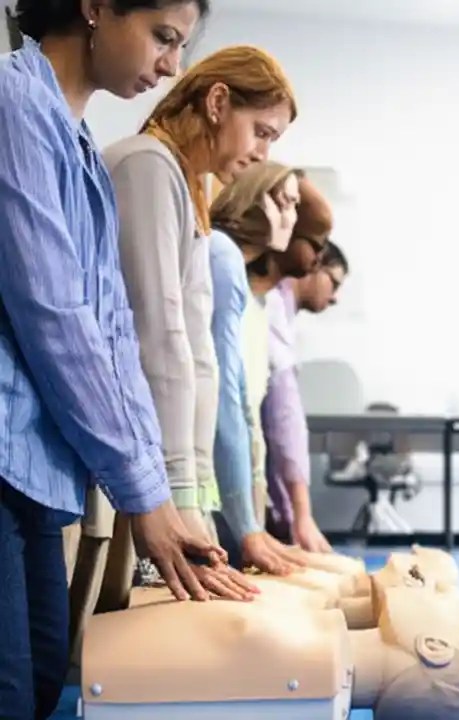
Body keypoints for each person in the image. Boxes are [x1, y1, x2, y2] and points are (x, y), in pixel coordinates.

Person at [0, 0, 252, 716]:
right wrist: (144, 493)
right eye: (163, 38)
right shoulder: (12, 106)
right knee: (13, 691)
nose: (171, 64)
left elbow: (116, 334)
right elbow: (54, 319)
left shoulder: (78, 143)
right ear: (97, 6)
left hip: (36, 467)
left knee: (47, 673)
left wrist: (162, 492)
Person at [102, 43, 297, 577]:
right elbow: (158, 340)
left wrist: (193, 493)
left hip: (166, 476)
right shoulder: (146, 165)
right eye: (262, 131)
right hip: (137, 471)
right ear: (217, 102)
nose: (262, 152)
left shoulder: (184, 188)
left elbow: (199, 361)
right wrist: (176, 493)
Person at [208, 161, 310, 574]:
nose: (291, 217)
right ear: (250, 197)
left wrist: (253, 509)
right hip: (207, 486)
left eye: (294, 205)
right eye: (282, 201)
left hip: (227, 487)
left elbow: (247, 412)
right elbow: (219, 396)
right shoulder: (219, 254)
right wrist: (247, 522)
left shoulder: (257, 301)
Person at [260, 211, 345, 551]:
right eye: (334, 282)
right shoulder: (269, 305)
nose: (335, 296)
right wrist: (300, 515)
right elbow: (284, 419)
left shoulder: (278, 311)